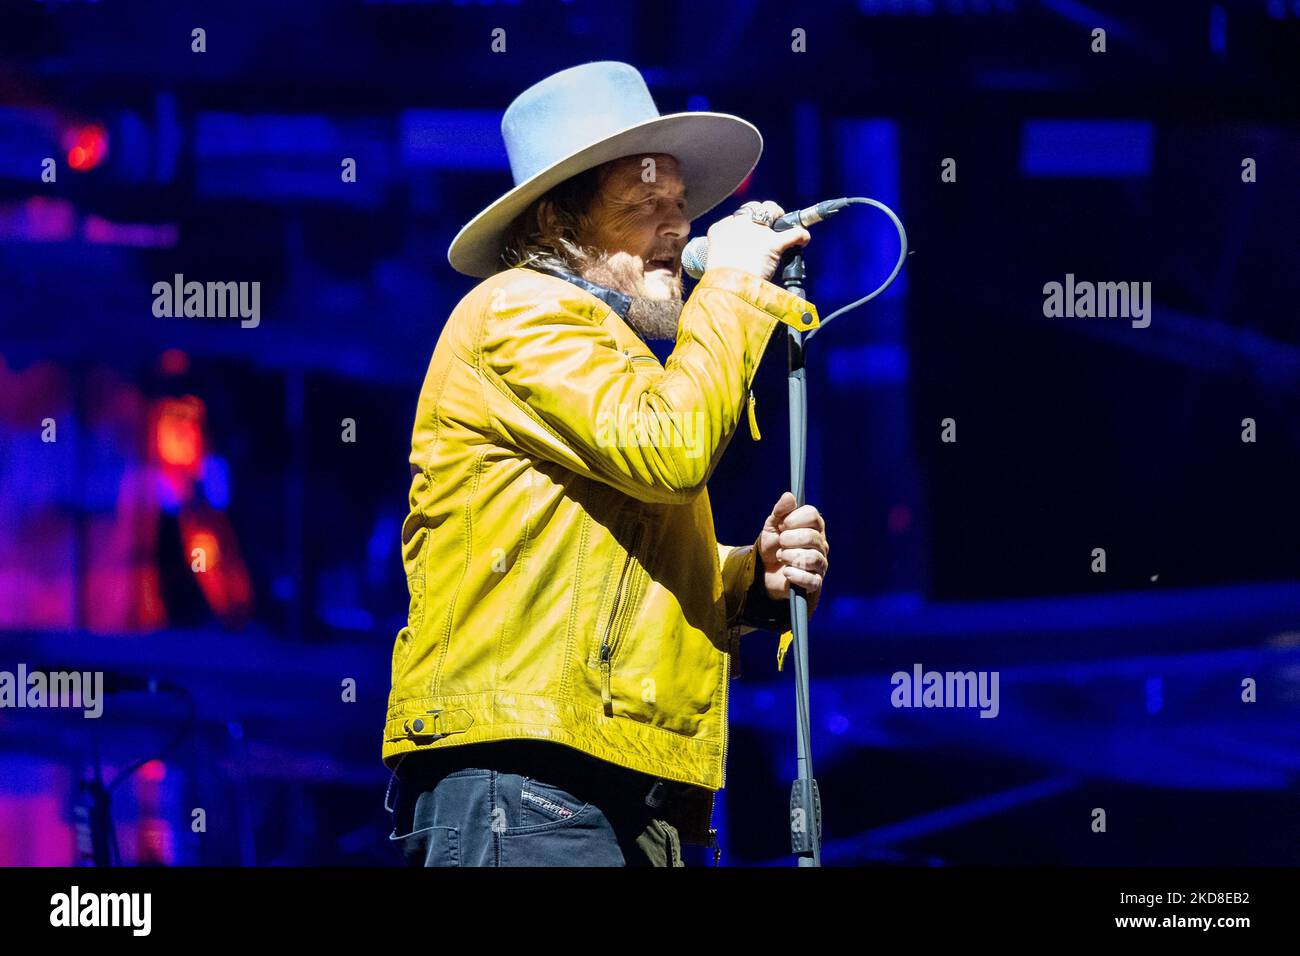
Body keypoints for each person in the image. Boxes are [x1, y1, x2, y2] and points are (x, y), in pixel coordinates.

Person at [384, 61, 830, 867]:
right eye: (643, 208)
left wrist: (743, 580)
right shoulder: (517, 310)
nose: (678, 234)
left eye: (681, 210)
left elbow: (614, 563)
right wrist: (730, 286)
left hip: (610, 780)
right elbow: (671, 452)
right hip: (524, 779)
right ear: (559, 224)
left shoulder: (615, 355)